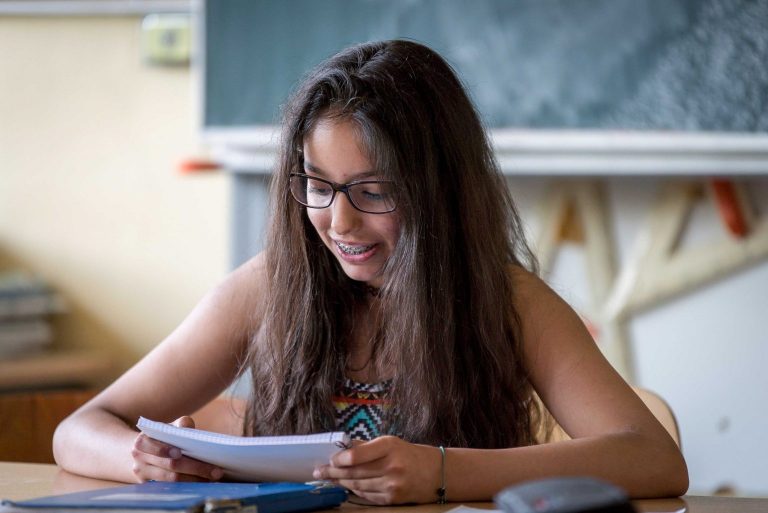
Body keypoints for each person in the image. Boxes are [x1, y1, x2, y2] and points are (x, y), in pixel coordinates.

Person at [53, 39, 688, 504]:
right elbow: (80, 430)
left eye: (373, 191)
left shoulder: (508, 302)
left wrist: (442, 472)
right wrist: (144, 460)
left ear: (439, 190)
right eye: (317, 187)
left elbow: (653, 458)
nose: (340, 223)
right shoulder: (273, 286)